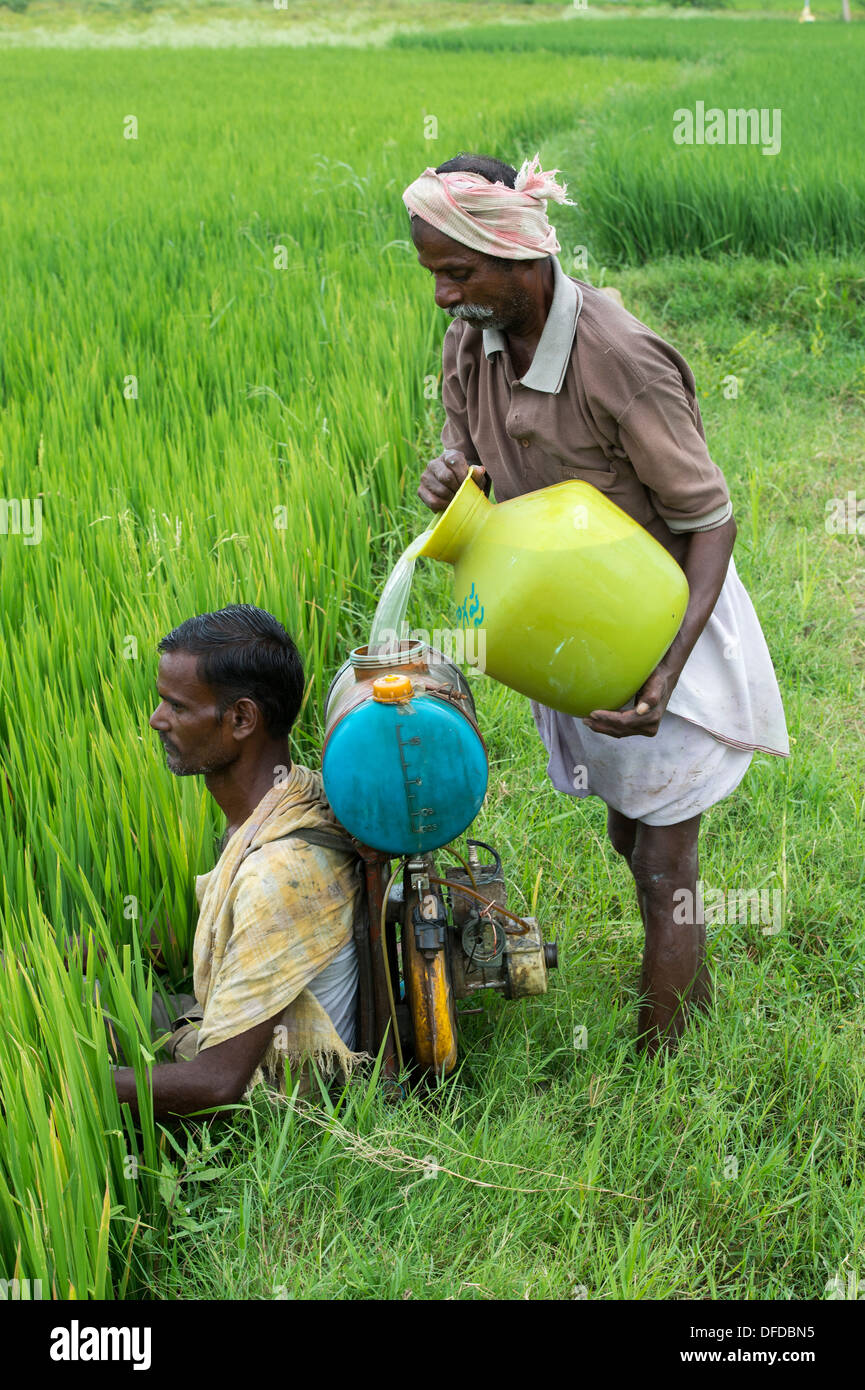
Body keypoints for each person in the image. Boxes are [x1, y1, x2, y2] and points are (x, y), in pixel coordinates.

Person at [402, 152, 789, 1054]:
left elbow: (711, 521)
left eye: (455, 272)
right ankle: (680, 973)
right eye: (431, 274)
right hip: (573, 621)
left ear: (520, 251)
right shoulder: (473, 339)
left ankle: (664, 1060)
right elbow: (480, 467)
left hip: (662, 618)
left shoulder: (618, 359)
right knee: (628, 831)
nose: (441, 296)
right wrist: (452, 479)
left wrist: (665, 669)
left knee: (663, 860)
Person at [112, 604, 364, 1121]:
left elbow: (219, 1084)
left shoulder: (278, 872)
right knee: (67, 990)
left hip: (276, 1102)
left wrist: (68, 1083)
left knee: (56, 1030)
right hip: (243, 1041)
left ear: (242, 719)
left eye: (177, 707)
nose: (158, 720)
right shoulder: (288, 796)